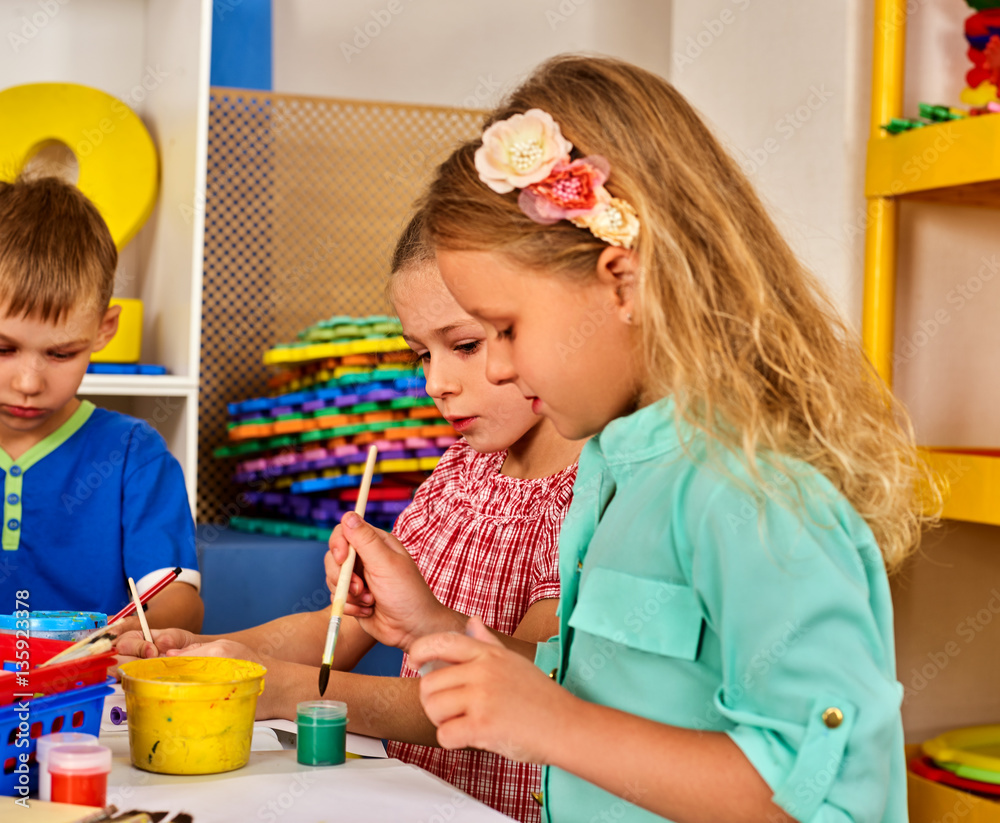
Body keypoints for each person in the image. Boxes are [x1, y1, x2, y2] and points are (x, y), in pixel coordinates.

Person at [327, 56, 941, 823]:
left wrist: (550, 724)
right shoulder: (616, 467)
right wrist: (439, 628)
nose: (506, 367)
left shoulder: (754, 486)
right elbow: (602, 684)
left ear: (622, 281)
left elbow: (816, 794)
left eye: (506, 330)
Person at [117, 213, 582, 823]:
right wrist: (209, 656)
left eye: (464, 345)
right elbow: (339, 629)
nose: (436, 383)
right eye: (420, 354)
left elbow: (513, 691)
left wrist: (285, 690)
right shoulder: (460, 471)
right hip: (428, 802)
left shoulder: (584, 497)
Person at [0, 175, 202, 632]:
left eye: (61, 354)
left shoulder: (134, 454)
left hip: (89, 696)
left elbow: (179, 604)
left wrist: (109, 639)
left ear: (104, 330)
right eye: (3, 349)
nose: (29, 382)